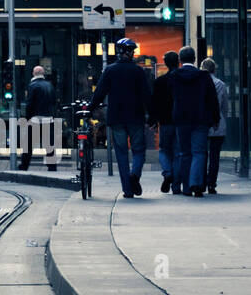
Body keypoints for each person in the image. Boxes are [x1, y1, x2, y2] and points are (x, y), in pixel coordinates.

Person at [90, 38, 152, 198]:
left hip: (116, 118)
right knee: (139, 150)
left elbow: (100, 93)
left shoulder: (110, 70)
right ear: (130, 53)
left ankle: (127, 189)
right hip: (135, 117)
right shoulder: (139, 71)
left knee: (121, 153)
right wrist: (151, 115)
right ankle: (135, 176)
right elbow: (146, 95)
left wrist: (89, 109)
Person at [172, 46, 220, 197]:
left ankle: (186, 187)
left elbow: (169, 99)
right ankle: (197, 184)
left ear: (180, 60)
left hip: (182, 120)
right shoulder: (204, 76)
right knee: (199, 152)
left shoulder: (174, 76)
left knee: (185, 153)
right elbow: (212, 99)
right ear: (194, 59)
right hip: (201, 120)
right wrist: (215, 119)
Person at [150, 51, 183, 194]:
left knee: (164, 150)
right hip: (181, 121)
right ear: (178, 62)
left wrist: (152, 121)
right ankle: (176, 186)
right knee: (177, 153)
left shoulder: (160, 82)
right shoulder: (182, 80)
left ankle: (167, 173)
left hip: (165, 122)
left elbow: (155, 103)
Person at [19, 65, 55, 171]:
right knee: (49, 145)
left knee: (28, 145)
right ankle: (52, 167)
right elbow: (53, 101)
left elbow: (29, 104)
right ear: (43, 74)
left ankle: (24, 166)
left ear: (34, 74)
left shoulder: (32, 86)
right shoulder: (50, 85)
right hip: (48, 119)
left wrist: (27, 118)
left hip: (35, 119)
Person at [201, 57, 228, 194]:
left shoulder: (199, 83)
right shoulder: (221, 84)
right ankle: (212, 183)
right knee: (214, 156)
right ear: (214, 69)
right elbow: (224, 106)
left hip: (202, 123)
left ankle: (201, 181)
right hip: (218, 123)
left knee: (201, 153)